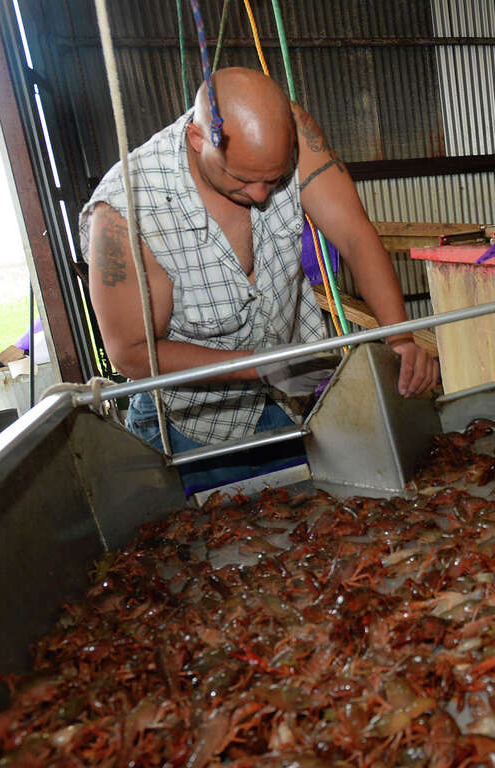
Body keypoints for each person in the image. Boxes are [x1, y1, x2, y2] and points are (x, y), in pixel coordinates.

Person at [78, 67, 438, 491]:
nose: (262, 195)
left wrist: (399, 338)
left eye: (275, 177)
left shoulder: (295, 132)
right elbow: (133, 353)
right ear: (198, 141)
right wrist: (262, 367)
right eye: (243, 179)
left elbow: (355, 236)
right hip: (192, 429)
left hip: (291, 403)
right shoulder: (125, 215)